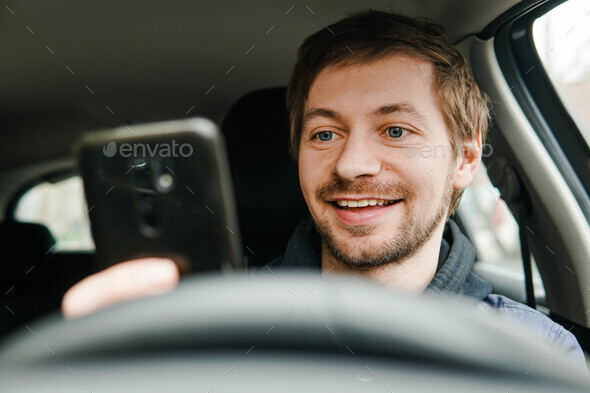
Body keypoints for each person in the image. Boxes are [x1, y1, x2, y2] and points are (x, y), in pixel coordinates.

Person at [62, 11, 584, 362]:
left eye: (396, 130)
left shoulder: (537, 354)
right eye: (325, 133)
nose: (352, 164)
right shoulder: (215, 330)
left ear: (465, 159)